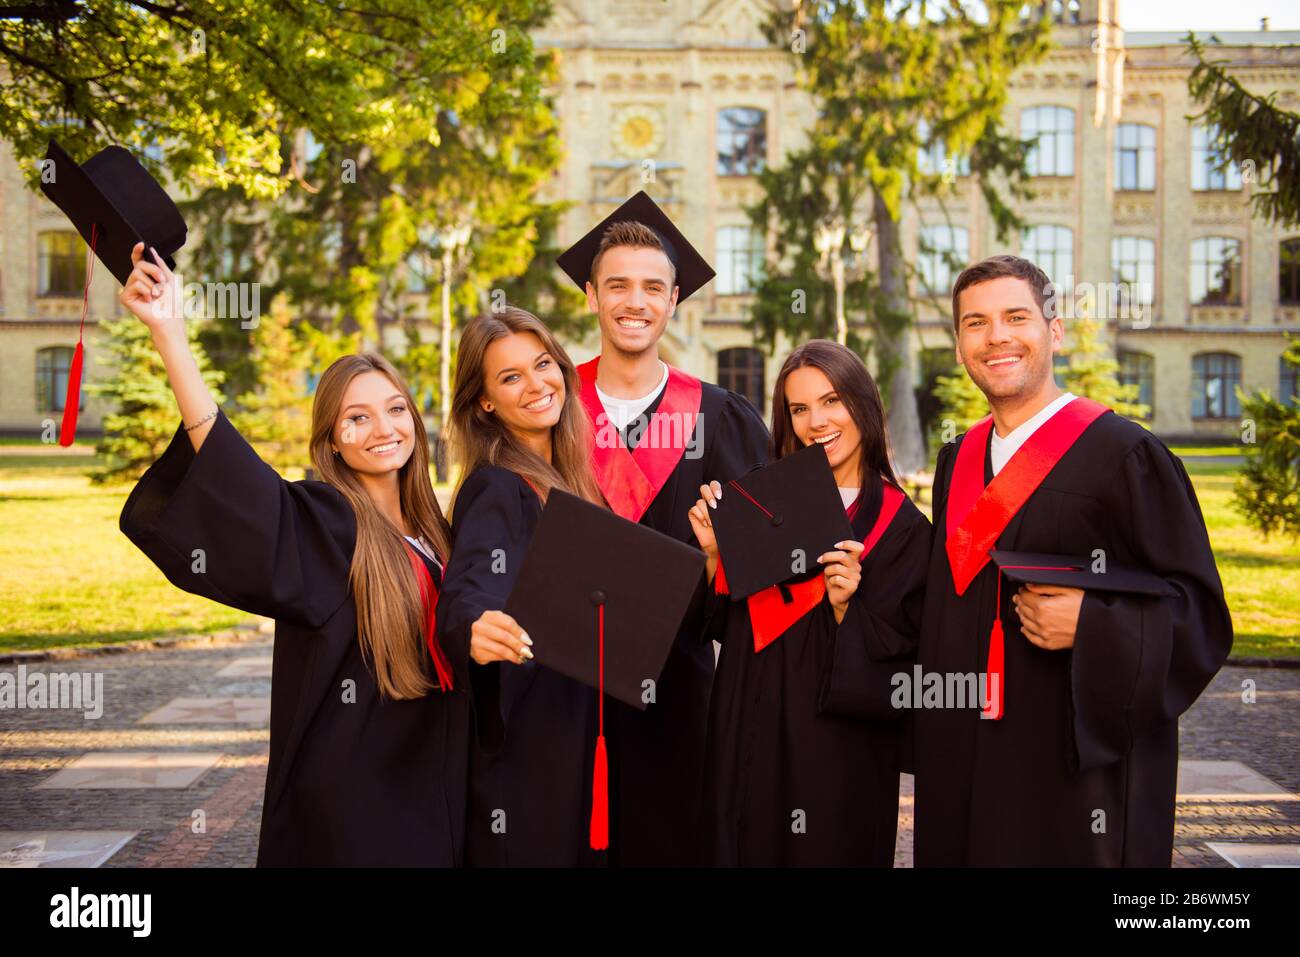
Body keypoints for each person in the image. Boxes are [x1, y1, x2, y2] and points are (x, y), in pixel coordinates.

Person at [116, 243, 467, 866]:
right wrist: (171, 333)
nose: (384, 429)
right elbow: (242, 486)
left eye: (394, 410)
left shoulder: (437, 528)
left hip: (437, 782)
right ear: (332, 440)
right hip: (357, 797)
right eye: (356, 418)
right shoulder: (326, 520)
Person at [912, 254, 1233, 866]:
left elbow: (1199, 615)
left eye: (1015, 317)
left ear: (1054, 331)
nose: (996, 336)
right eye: (975, 323)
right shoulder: (957, 460)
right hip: (964, 757)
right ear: (958, 345)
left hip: (1072, 772)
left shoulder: (1124, 454)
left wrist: (1096, 625)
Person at [555, 191, 771, 866]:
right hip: (560, 688)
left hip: (680, 691)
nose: (634, 301)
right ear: (591, 295)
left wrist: (718, 559)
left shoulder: (722, 418)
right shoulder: (550, 411)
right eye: (617, 284)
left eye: (652, 287)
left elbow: (763, 572)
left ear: (674, 300)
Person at [690, 340, 929, 866]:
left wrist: (849, 610)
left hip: (838, 751)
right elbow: (729, 628)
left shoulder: (905, 529)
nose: (816, 421)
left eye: (832, 401)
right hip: (745, 727)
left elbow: (907, 660)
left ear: (863, 403)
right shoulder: (757, 499)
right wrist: (712, 556)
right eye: (799, 409)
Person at [435, 305, 610, 867]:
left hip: (577, 731)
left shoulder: (578, 481)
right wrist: (473, 627)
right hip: (534, 751)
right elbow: (467, 592)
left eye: (543, 364)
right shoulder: (498, 487)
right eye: (511, 377)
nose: (536, 385)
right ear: (485, 401)